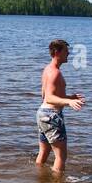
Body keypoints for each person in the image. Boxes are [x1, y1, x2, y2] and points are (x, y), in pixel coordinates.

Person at [36, 39, 84, 173]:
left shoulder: (48, 69)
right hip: (51, 116)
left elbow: (44, 94)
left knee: (44, 152)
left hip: (42, 113)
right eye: (66, 51)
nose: (68, 53)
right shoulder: (55, 73)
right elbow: (49, 97)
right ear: (57, 52)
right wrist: (68, 102)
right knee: (61, 156)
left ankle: (39, 178)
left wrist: (70, 97)